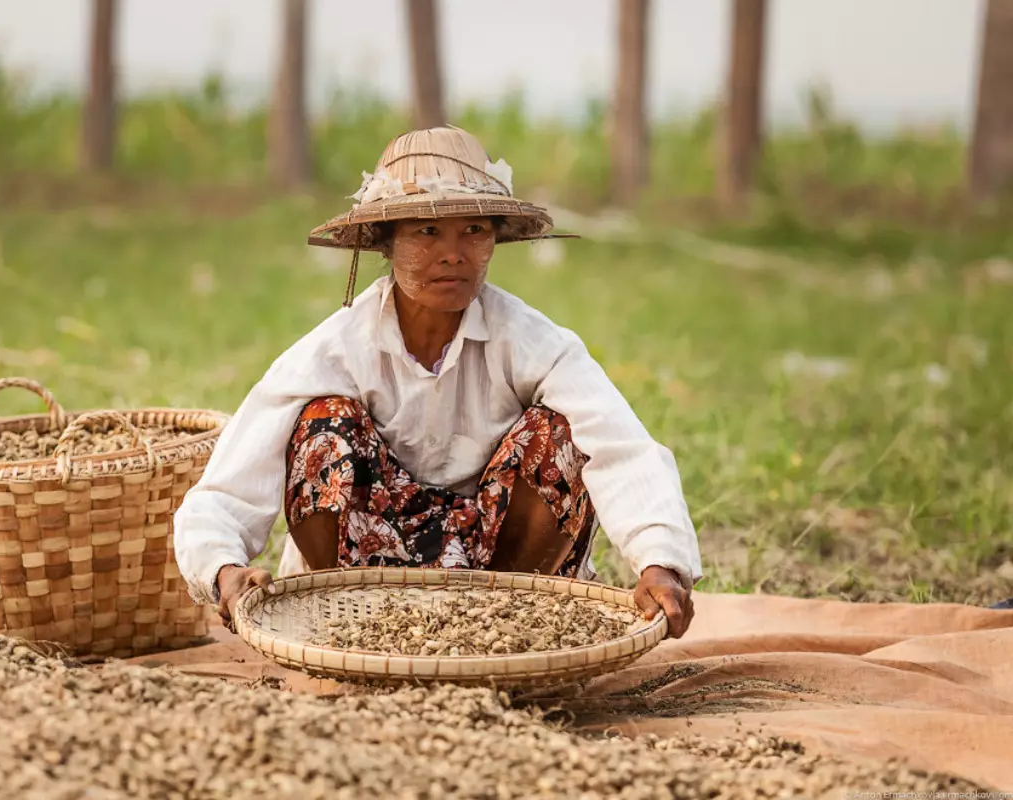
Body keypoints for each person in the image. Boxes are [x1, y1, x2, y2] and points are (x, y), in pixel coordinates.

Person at [173, 126, 702, 639]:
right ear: (386, 242)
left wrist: (660, 563)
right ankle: (343, 620)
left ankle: (518, 623)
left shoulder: (534, 341)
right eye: (427, 232)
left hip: (504, 577)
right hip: (366, 582)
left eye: (474, 230)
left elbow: (621, 445)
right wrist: (224, 572)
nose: (454, 253)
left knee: (558, 435)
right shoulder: (337, 346)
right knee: (322, 425)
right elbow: (234, 477)